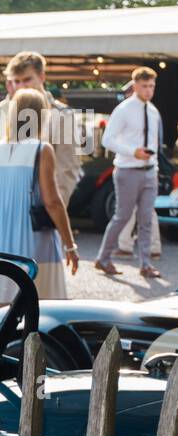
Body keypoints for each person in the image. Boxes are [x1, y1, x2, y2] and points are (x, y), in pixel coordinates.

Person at [0, 88, 78, 311]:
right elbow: (52, 201)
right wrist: (70, 244)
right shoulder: (42, 149)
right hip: (29, 236)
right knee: (35, 304)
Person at [0, 52, 81, 208]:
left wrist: (51, 207)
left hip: (40, 203)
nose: (21, 86)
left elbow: (67, 167)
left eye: (27, 79)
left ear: (41, 77)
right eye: (16, 81)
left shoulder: (63, 115)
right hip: (1, 198)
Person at [95, 67, 163, 278]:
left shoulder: (153, 111)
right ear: (135, 86)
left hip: (150, 171)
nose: (149, 90)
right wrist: (132, 152)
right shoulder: (123, 109)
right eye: (144, 86)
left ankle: (145, 264)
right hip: (127, 171)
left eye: (152, 86)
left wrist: (155, 167)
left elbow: (154, 144)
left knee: (146, 219)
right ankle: (102, 259)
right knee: (122, 217)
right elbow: (107, 140)